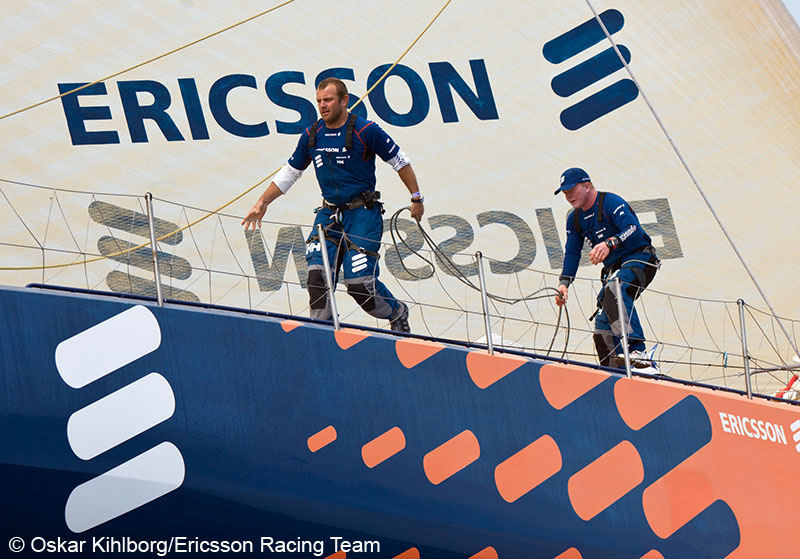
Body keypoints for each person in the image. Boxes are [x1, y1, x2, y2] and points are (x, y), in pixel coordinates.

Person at [242, 78, 423, 333]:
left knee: (359, 283)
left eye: (327, 100)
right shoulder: (312, 134)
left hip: (362, 214)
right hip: (328, 215)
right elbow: (291, 171)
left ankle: (396, 311)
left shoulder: (366, 130)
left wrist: (416, 198)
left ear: (344, 100)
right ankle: (323, 333)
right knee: (317, 278)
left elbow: (400, 161)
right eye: (319, 101)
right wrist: (262, 203)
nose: (322, 106)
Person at [553, 167, 659, 369]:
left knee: (614, 288)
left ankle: (639, 352)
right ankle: (614, 374)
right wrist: (564, 283)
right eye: (564, 192)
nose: (568, 196)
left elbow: (633, 228)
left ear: (587, 186)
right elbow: (572, 253)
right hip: (615, 270)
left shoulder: (610, 202)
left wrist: (611, 243)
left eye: (571, 190)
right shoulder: (574, 220)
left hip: (641, 259)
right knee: (602, 326)